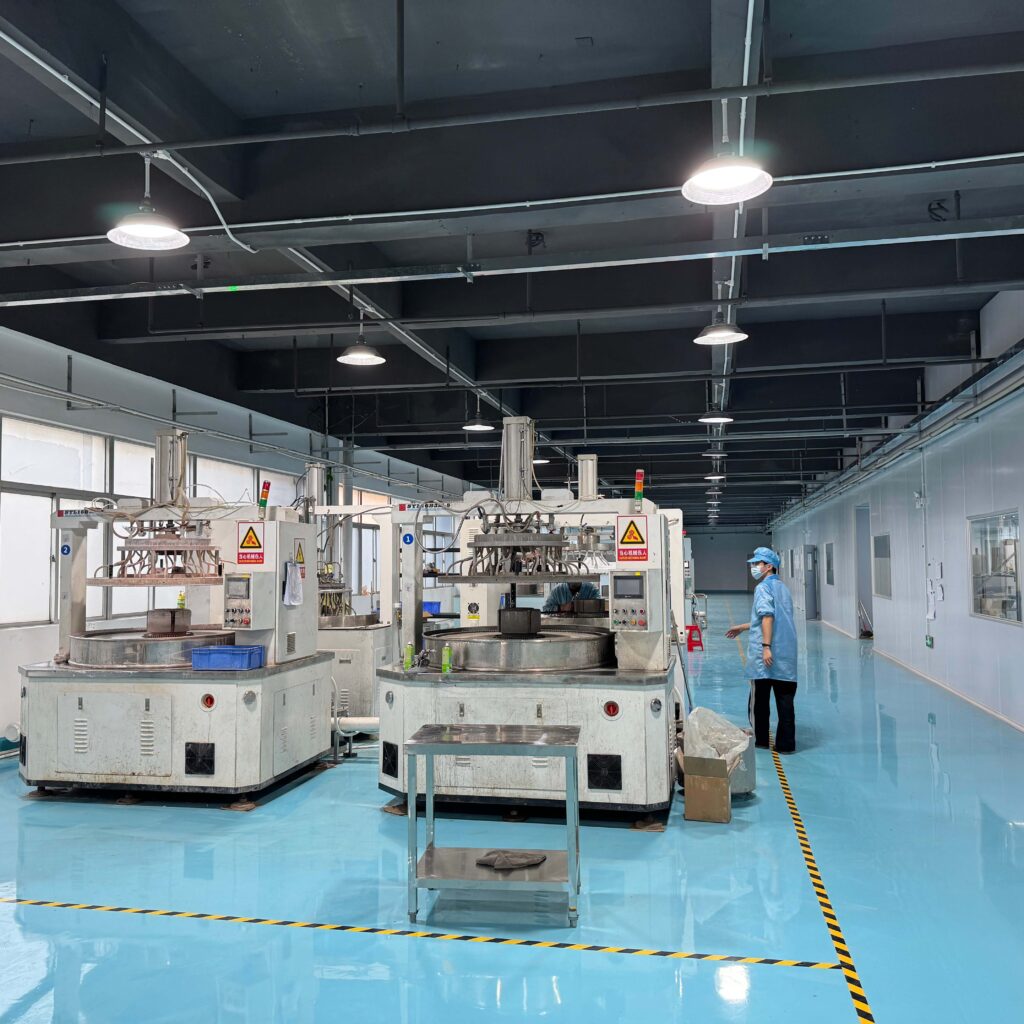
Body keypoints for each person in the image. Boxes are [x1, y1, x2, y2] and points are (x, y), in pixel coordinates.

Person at [725, 547, 798, 753]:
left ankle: (761, 740)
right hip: (786, 655)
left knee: (759, 702)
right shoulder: (783, 589)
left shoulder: (763, 588)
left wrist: (766, 647)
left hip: (765, 656)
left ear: (769, 566)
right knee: (785, 702)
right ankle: (786, 745)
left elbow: (767, 617)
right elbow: (768, 619)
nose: (755, 567)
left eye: (758, 564)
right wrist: (743, 627)